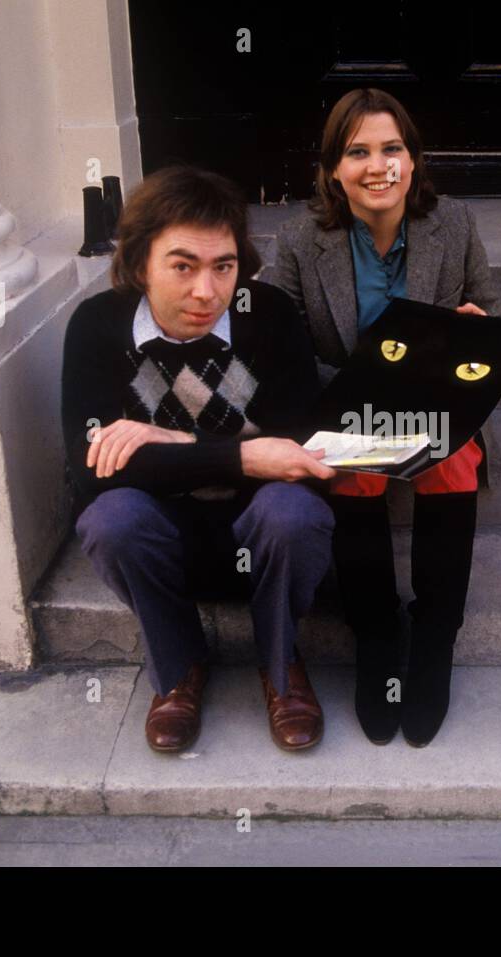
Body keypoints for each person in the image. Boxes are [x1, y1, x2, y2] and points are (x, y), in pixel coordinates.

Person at [61, 165, 337, 754]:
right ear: (140, 264)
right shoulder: (96, 327)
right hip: (161, 537)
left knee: (296, 512)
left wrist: (172, 444)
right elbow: (92, 474)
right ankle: (179, 667)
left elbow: (299, 452)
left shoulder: (268, 316)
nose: (206, 292)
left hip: (257, 528)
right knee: (111, 520)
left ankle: (281, 663)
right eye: (183, 266)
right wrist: (244, 457)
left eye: (224, 266)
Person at [268, 88, 499, 747]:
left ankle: (433, 637)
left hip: (434, 401)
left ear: (414, 159)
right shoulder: (298, 240)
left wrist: (474, 333)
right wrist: (354, 393)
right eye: (358, 151)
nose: (378, 165)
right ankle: (376, 632)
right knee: (353, 465)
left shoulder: (452, 223)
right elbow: (281, 348)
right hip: (347, 402)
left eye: (392, 148)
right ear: (334, 169)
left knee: (453, 457)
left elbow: (485, 305)